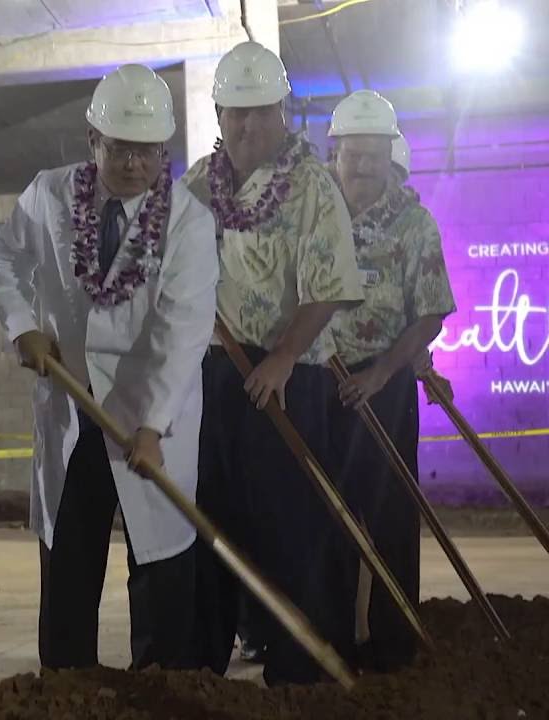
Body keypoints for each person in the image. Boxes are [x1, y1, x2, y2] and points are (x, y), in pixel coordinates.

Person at [0, 65, 217, 671]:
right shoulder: (48, 196)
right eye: (119, 149)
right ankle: (67, 689)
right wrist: (22, 327)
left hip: (149, 416)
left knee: (161, 566)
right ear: (94, 139)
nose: (133, 165)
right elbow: (1, 264)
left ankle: (162, 689)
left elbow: (182, 331)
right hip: (73, 409)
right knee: (68, 563)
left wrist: (152, 422)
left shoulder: (188, 223)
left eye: (146, 152)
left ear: (161, 151)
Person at [179, 41, 364, 686]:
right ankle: (201, 665)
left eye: (261, 112)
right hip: (215, 374)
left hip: (289, 375)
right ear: (219, 114)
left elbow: (332, 283)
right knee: (212, 522)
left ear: (283, 113)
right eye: (236, 113)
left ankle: (297, 670)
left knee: (290, 525)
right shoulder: (199, 184)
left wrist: (284, 356)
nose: (248, 126)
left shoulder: (312, 185)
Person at [327, 90, 456, 671]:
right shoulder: (314, 212)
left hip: (387, 386)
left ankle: (392, 645)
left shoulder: (414, 222)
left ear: (390, 153)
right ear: (335, 152)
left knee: (390, 517)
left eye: (374, 152)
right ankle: (326, 641)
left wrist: (381, 374)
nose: (363, 164)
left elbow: (429, 311)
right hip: (318, 384)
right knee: (322, 514)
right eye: (353, 152)